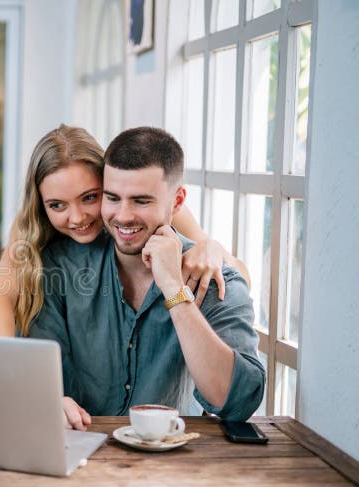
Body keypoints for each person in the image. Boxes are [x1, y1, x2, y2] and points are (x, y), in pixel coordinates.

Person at [28, 126, 265, 424]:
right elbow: (36, 372)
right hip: (79, 443)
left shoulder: (210, 275)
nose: (123, 216)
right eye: (112, 198)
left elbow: (239, 402)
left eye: (141, 201)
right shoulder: (59, 267)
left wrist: (174, 290)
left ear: (177, 201)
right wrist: (46, 397)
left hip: (174, 451)